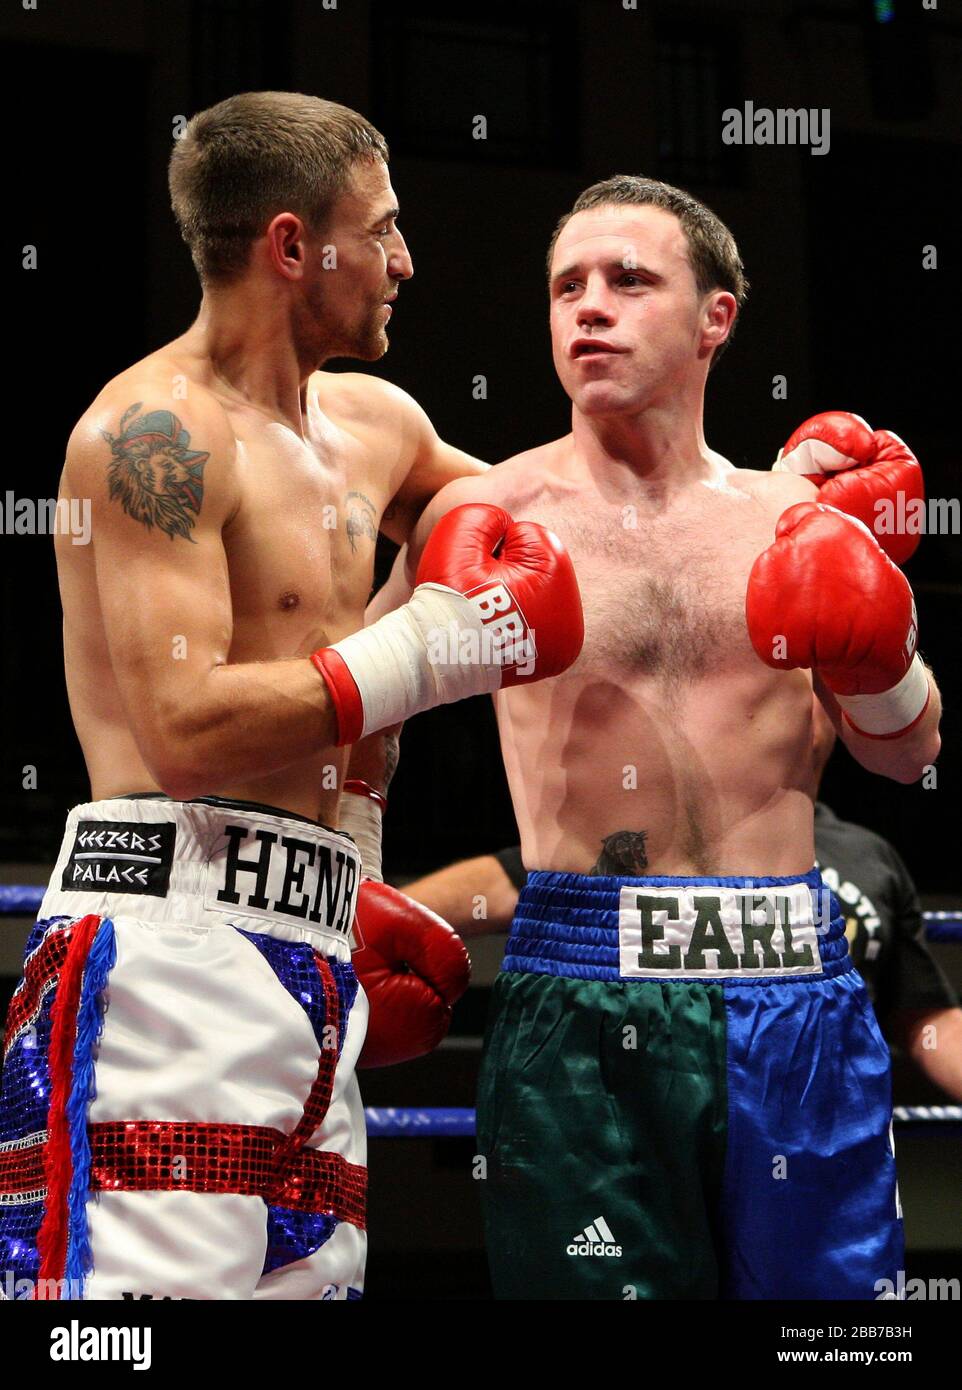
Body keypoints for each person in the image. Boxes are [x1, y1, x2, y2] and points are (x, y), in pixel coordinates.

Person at [0, 91, 584, 1301]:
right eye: (381, 230)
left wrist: (770, 502)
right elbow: (183, 731)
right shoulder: (151, 435)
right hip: (166, 965)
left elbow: (560, 526)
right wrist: (426, 647)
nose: (405, 261)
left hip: (320, 956)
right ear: (290, 246)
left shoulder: (377, 425)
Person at [368, 174, 943, 1299]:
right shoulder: (485, 514)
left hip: (793, 992)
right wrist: (340, 886)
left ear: (713, 318)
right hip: (577, 1000)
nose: (589, 306)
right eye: (565, 286)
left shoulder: (803, 518)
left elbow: (908, 754)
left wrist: (883, 661)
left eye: (628, 280)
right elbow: (354, 720)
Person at [405, 704, 962, 1100]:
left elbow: (924, 1015)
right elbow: (511, 880)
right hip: (651, 1084)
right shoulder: (676, 832)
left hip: (817, 1099)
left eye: (817, 689)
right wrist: (370, 920)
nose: (804, 706)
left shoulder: (872, 856)